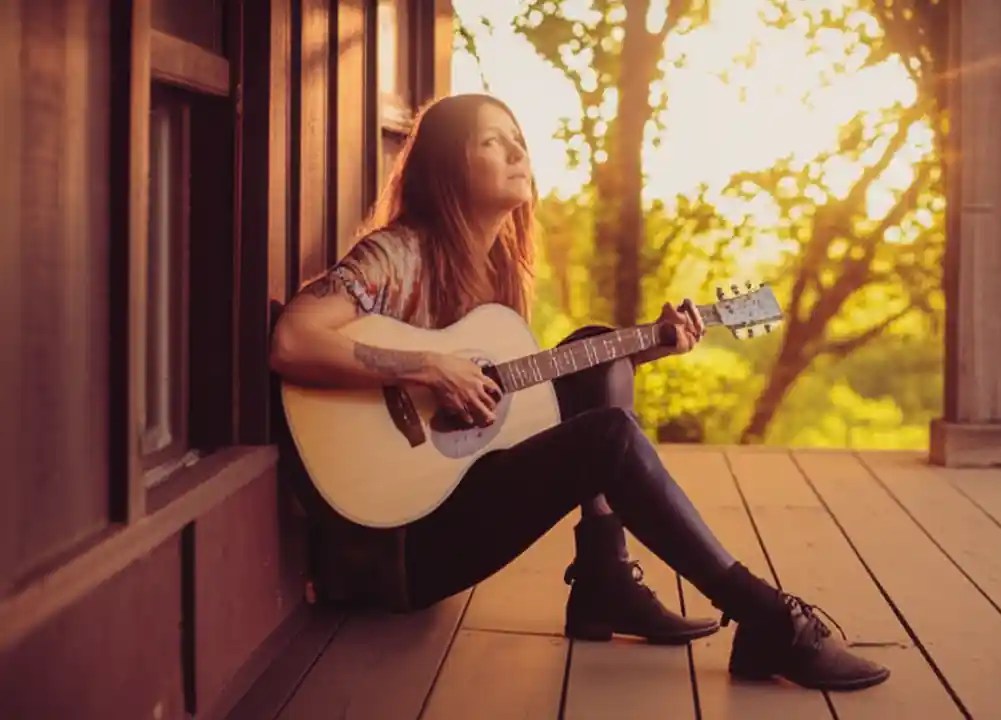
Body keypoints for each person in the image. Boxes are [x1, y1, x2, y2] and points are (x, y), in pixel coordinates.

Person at [269, 92, 890, 692]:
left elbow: (514, 418)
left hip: (443, 509)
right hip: (392, 549)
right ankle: (766, 618)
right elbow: (293, 341)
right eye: (494, 141)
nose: (518, 153)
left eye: (519, 141)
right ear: (449, 162)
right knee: (610, 437)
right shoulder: (397, 253)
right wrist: (425, 366)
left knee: (597, 351)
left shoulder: (496, 274)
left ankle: (604, 580)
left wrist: (645, 346)